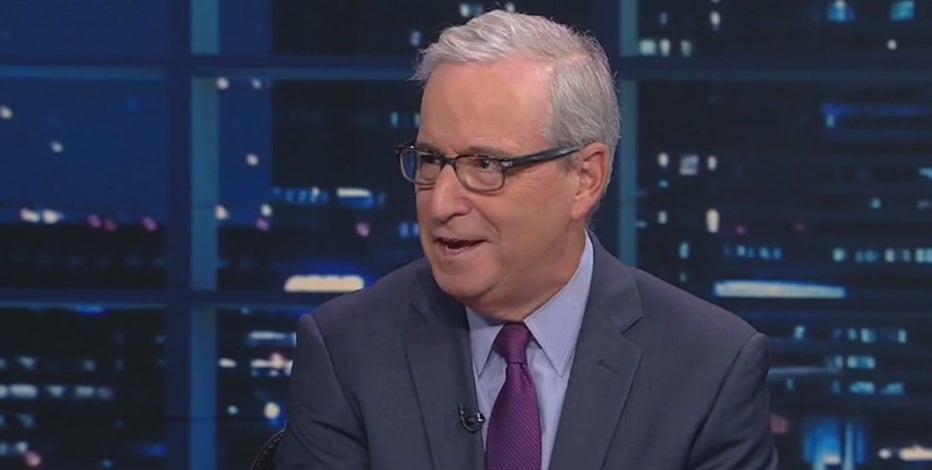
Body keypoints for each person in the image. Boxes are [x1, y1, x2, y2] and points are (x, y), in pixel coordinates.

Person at [276, 9, 777, 470]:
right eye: (430, 161)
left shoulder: (711, 367)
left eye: (485, 164)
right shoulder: (346, 352)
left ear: (585, 179)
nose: (441, 202)